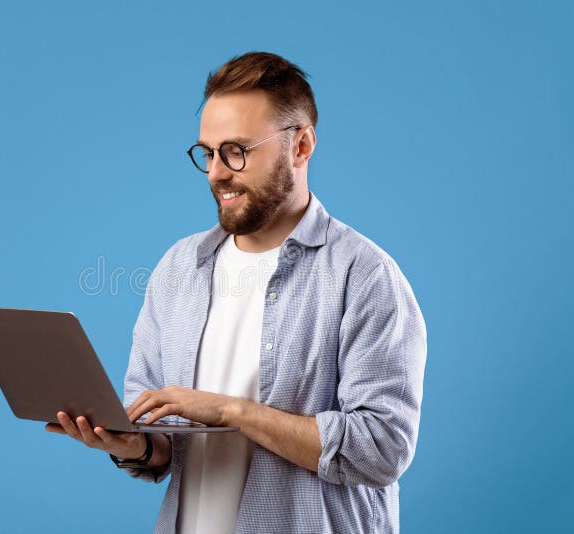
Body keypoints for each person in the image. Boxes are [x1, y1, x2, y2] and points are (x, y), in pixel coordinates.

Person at [45, 51, 427, 534]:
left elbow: (382, 449)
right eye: (207, 152)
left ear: (301, 146)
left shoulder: (364, 275)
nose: (216, 172)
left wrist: (231, 411)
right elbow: (163, 441)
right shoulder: (179, 268)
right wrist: (134, 446)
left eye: (237, 151)